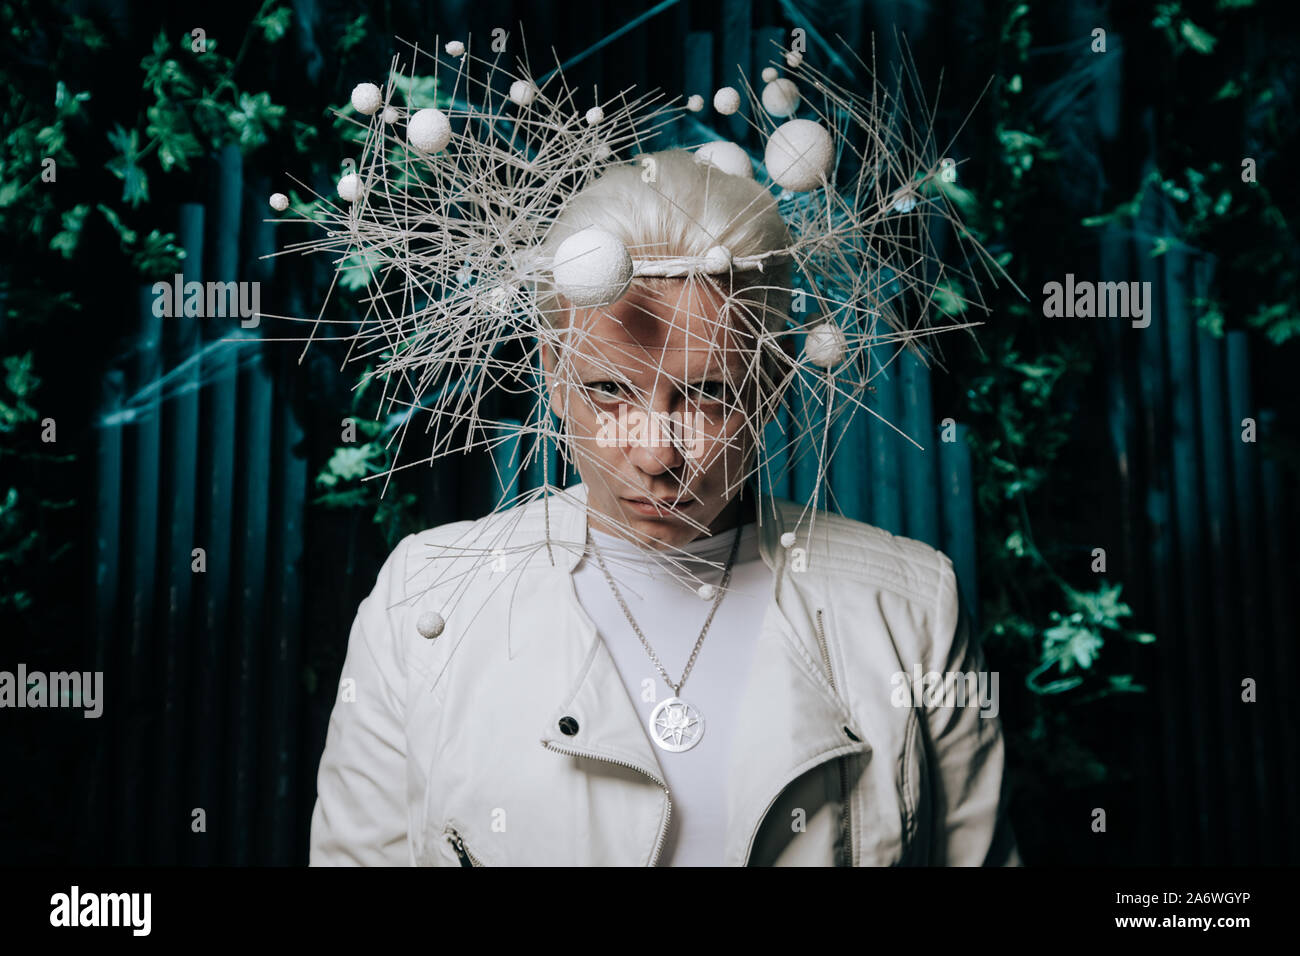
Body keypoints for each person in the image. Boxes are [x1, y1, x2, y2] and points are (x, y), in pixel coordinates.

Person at [308, 149, 1021, 866]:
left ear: (772, 386)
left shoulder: (912, 609)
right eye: (609, 390)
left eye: (707, 393)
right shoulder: (424, 602)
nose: (656, 456)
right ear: (553, 380)